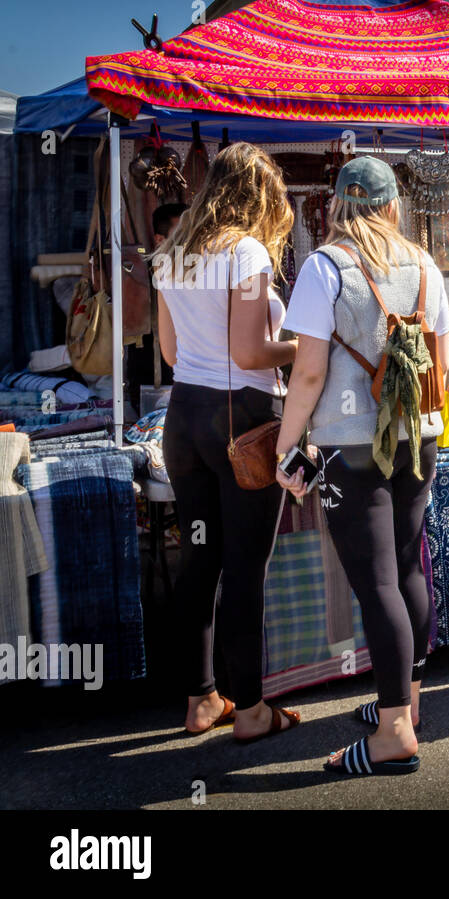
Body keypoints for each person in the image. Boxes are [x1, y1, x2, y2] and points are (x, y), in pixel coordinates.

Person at [277, 156, 449, 776]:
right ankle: (408, 704)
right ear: (390, 203)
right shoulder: (425, 263)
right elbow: (443, 363)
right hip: (419, 439)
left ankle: (394, 731)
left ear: (338, 205)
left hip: (352, 447)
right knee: (406, 567)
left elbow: (309, 371)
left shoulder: (326, 267)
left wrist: (286, 448)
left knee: (375, 579)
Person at [152, 143, 301, 740]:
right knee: (244, 570)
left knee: (199, 559)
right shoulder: (246, 251)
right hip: (241, 418)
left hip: (184, 416)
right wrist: (305, 348)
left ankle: (201, 700)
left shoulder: (173, 252)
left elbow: (169, 354)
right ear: (260, 197)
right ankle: (253, 711)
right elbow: (250, 352)